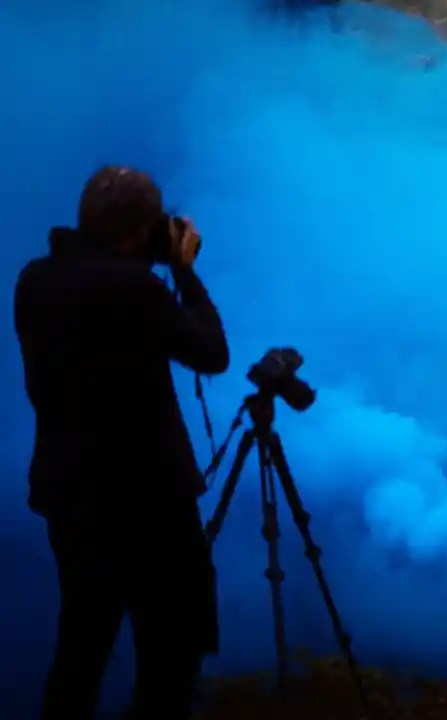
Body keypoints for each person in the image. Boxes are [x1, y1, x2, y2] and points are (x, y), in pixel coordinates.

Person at [14, 166, 230, 719]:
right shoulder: (134, 288)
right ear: (140, 230)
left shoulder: (35, 281)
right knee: (170, 651)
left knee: (81, 649)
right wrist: (183, 272)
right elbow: (211, 353)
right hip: (147, 503)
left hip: (71, 497)